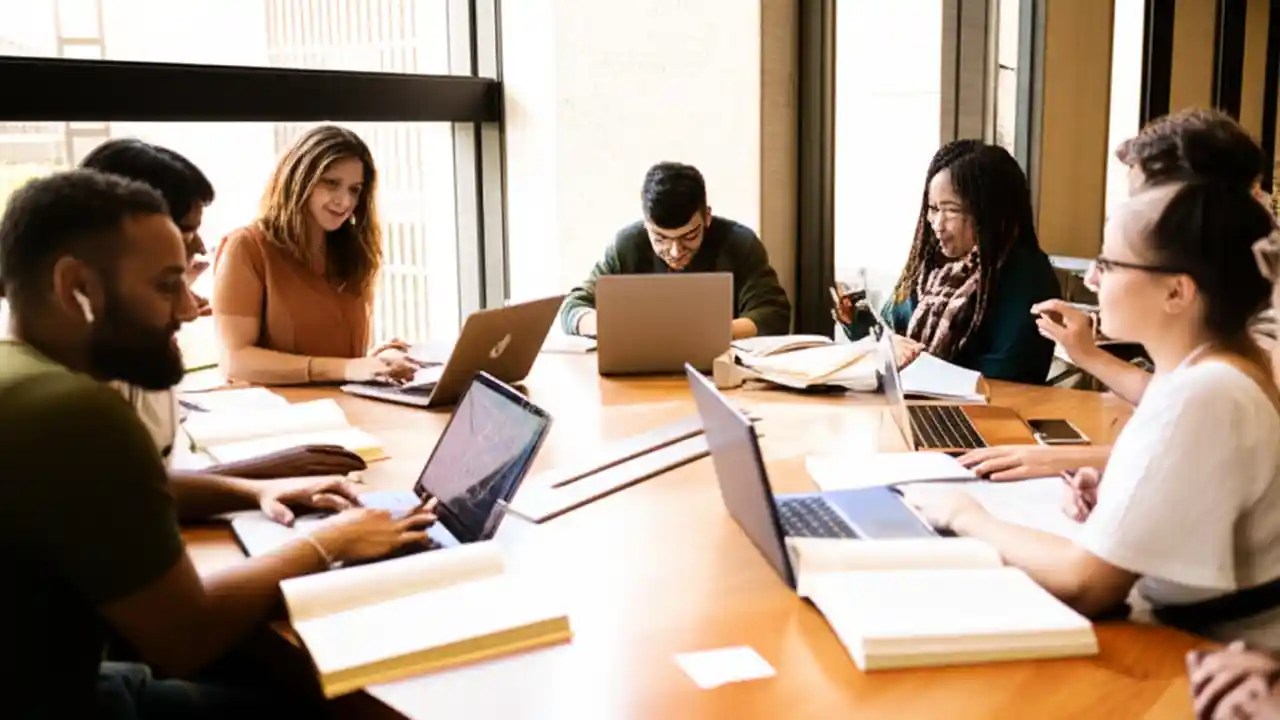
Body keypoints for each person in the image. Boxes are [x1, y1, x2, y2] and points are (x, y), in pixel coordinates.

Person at [0, 170, 436, 717]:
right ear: (76, 287)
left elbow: (135, 491)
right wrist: (331, 543)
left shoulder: (19, 379)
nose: (189, 308)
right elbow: (185, 636)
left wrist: (250, 488)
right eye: (166, 285)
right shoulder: (74, 412)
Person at [903, 177, 1280, 651]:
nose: (1091, 279)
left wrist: (964, 515)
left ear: (1177, 293)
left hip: (1191, 656)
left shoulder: (1205, 393)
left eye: (1110, 264)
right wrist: (1124, 491)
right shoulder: (1222, 368)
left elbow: (1087, 585)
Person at [963, 107, 1274, 481]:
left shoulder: (1257, 294)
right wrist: (1086, 354)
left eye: (1143, 200)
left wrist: (1072, 460)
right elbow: (1177, 400)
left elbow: (1218, 444)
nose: (1133, 218)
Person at [81, 138, 367, 479]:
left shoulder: (124, 334)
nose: (201, 247)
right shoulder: (81, 356)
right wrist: (261, 477)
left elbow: (152, 471)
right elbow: (134, 492)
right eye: (186, 232)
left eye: (355, 189)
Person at [835, 140, 1060, 384]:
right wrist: (859, 324)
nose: (937, 224)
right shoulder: (928, 269)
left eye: (951, 210)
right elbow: (890, 335)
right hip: (915, 408)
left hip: (986, 418)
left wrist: (909, 360)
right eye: (933, 208)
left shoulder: (1027, 278)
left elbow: (1006, 378)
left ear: (991, 212)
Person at [213, 125, 417, 385]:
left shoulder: (353, 251)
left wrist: (379, 360)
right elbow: (235, 361)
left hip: (349, 407)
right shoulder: (247, 247)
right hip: (277, 416)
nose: (344, 202)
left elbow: (339, 357)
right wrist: (348, 368)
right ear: (298, 179)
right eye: (332, 184)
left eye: (354, 189)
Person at [558, 161, 791, 340]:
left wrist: (704, 336)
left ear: (707, 217)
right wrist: (613, 331)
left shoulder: (739, 244)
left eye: (689, 236)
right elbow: (574, 306)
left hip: (721, 371)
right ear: (646, 224)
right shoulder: (629, 245)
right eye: (659, 238)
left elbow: (773, 316)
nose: (675, 250)